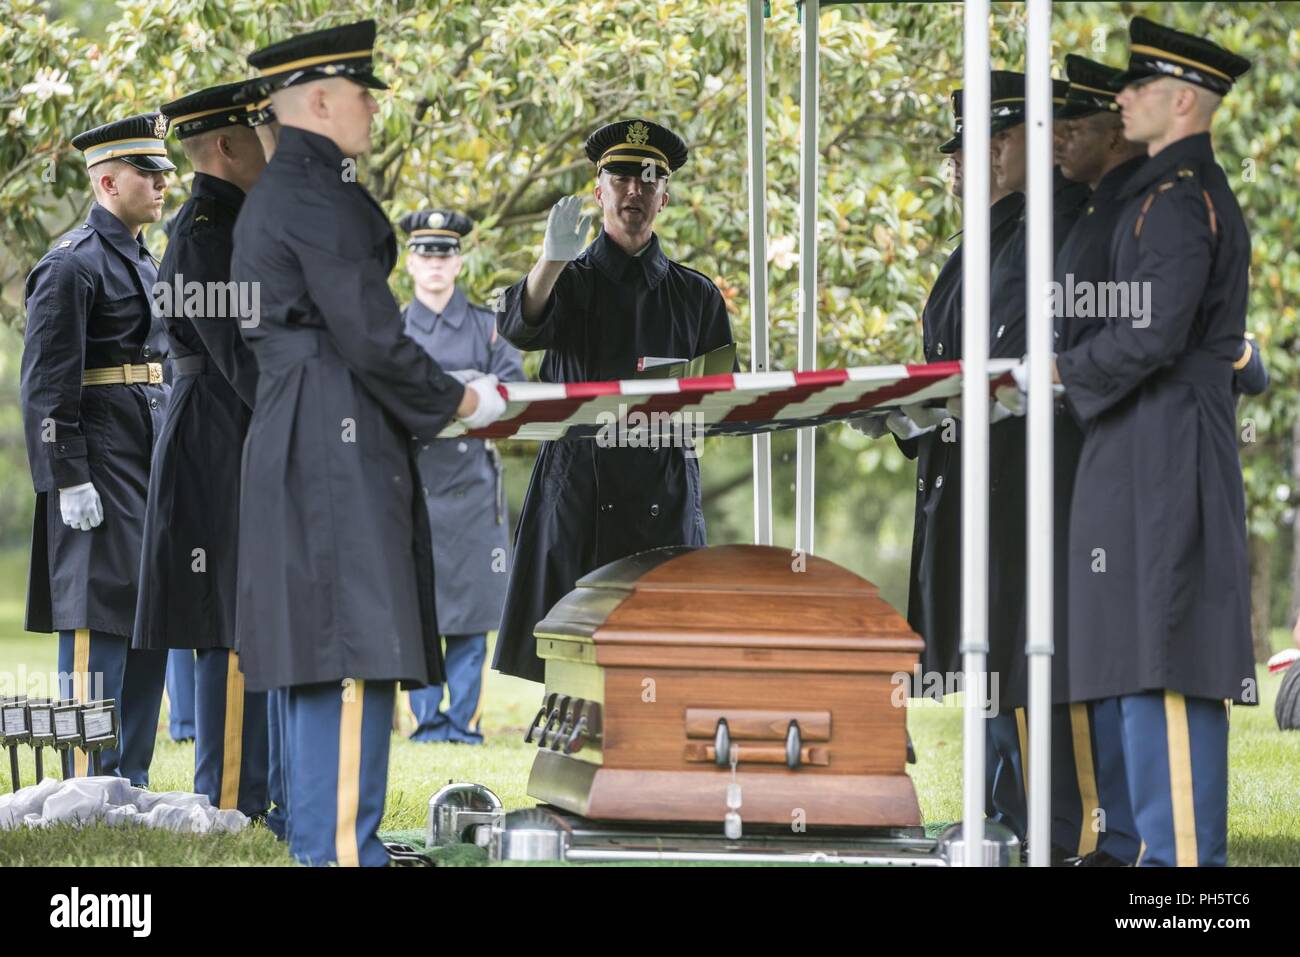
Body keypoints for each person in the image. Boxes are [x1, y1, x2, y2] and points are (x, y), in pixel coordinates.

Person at [231, 19, 506, 866]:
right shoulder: (316, 194)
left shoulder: (290, 187)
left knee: (324, 662)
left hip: (303, 430)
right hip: (330, 447)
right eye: (360, 94)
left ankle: (327, 847)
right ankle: (345, 855)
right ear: (318, 100)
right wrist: (461, 396)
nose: (372, 111)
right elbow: (374, 336)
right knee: (351, 656)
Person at [1054, 16, 1253, 867]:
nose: (1122, 97)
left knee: (1164, 655)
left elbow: (1154, 329)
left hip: (1168, 441)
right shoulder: (1156, 194)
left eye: (1138, 86)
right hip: (1144, 438)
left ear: (1182, 101)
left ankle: (1183, 878)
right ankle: (1159, 862)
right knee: (1138, 650)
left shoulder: (1178, 202)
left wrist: (1065, 371)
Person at [493, 119, 734, 682]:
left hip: (663, 493)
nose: (634, 190)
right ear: (598, 190)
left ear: (664, 197)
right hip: (578, 493)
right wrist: (550, 260)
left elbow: (722, 401)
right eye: (620, 177)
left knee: (662, 658)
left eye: (648, 180)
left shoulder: (695, 294)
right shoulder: (567, 280)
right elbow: (518, 326)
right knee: (570, 661)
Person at [20, 112, 175, 783]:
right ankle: (88, 776)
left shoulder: (144, 257)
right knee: (96, 617)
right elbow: (47, 387)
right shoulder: (71, 264)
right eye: (149, 172)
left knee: (147, 614)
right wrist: (67, 476)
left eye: (166, 170)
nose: (163, 182)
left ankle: (129, 777)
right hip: (99, 456)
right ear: (108, 180)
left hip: (148, 449)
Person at [133, 79, 271, 817]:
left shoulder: (238, 222)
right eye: (255, 132)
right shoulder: (203, 232)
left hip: (234, 424)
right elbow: (238, 356)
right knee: (227, 615)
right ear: (223, 145)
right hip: (215, 431)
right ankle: (228, 795)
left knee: (250, 610)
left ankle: (259, 789)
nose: (267, 145)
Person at [980, 71, 1091, 854]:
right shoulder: (1011, 227)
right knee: (1011, 651)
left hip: (1061, 464)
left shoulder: (1069, 221)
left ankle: (1075, 824)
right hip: (1004, 465)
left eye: (1002, 136)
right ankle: (1024, 815)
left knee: (1049, 650)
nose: (986, 154)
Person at [1043, 55, 1149, 867]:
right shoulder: (1089, 211)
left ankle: (1122, 832)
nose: (1060, 137)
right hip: (1079, 447)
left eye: (1076, 123)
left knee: (1114, 655)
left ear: (1118, 128)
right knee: (1092, 652)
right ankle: (1111, 828)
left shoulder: (1134, 212)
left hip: (1107, 445)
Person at [397, 209, 524, 743]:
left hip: (471, 485)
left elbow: (514, 391)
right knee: (417, 605)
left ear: (460, 261)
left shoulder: (487, 325)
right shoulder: (392, 326)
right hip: (411, 482)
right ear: (409, 262)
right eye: (425, 253)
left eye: (444, 254)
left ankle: (464, 723)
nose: (435, 264)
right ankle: (427, 723)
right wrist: (466, 386)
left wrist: (446, 389)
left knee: (472, 611)